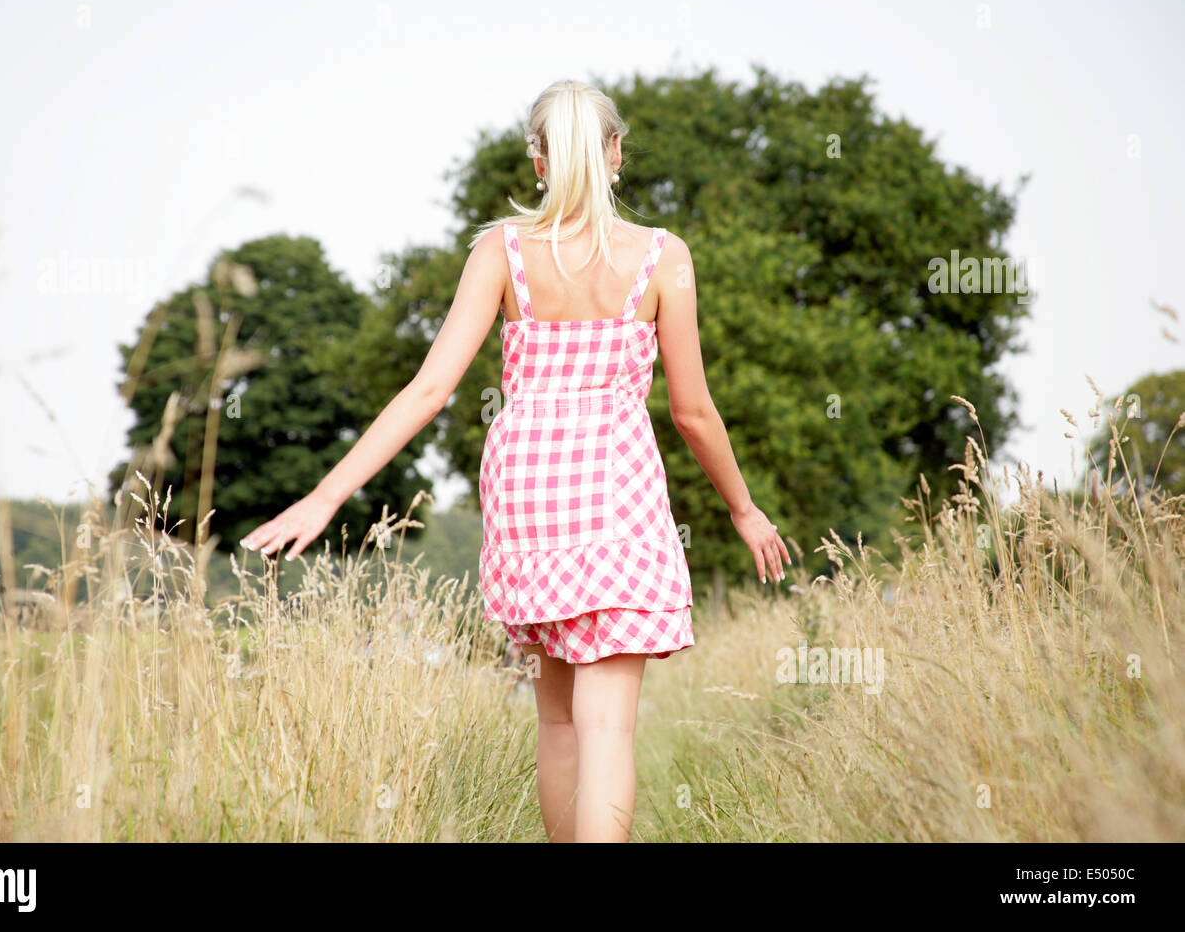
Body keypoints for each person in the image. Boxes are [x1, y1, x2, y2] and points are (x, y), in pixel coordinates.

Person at [240, 79, 790, 842]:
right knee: (607, 730)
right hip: (617, 495)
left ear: (539, 162)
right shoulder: (665, 258)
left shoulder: (501, 251)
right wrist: (743, 508)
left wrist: (326, 496)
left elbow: (430, 389)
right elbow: (693, 412)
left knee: (559, 723)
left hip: (529, 499)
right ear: (616, 155)